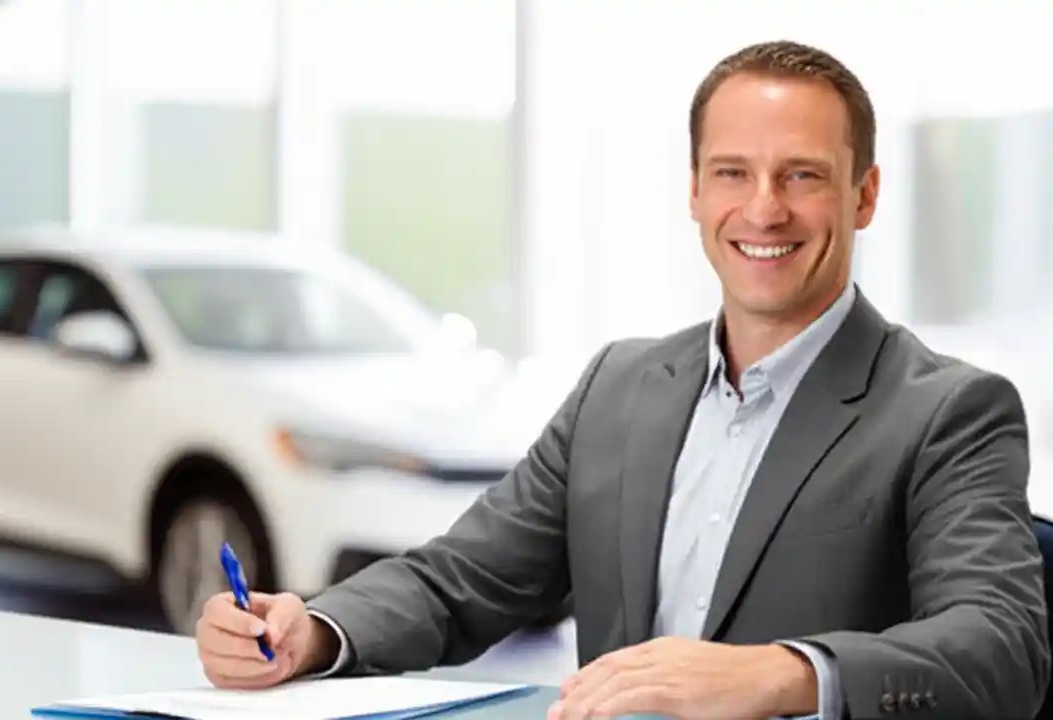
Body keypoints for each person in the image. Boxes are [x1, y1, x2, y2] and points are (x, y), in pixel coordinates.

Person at [194, 39, 1051, 720]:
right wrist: (315, 629)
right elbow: (460, 580)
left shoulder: (949, 411)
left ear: (863, 196)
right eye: (732, 173)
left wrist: (778, 676)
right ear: (693, 191)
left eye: (802, 176)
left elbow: (1001, 650)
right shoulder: (621, 385)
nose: (763, 209)